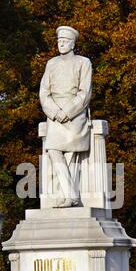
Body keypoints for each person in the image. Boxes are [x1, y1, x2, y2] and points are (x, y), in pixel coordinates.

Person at [39, 25, 92, 207]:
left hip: (74, 116)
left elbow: (85, 93)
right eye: (59, 41)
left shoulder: (83, 63)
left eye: (65, 41)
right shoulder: (51, 64)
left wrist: (67, 112)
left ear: (72, 43)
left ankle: (69, 197)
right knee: (53, 150)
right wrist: (54, 112)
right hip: (54, 117)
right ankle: (71, 195)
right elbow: (44, 92)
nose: (61, 44)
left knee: (71, 155)